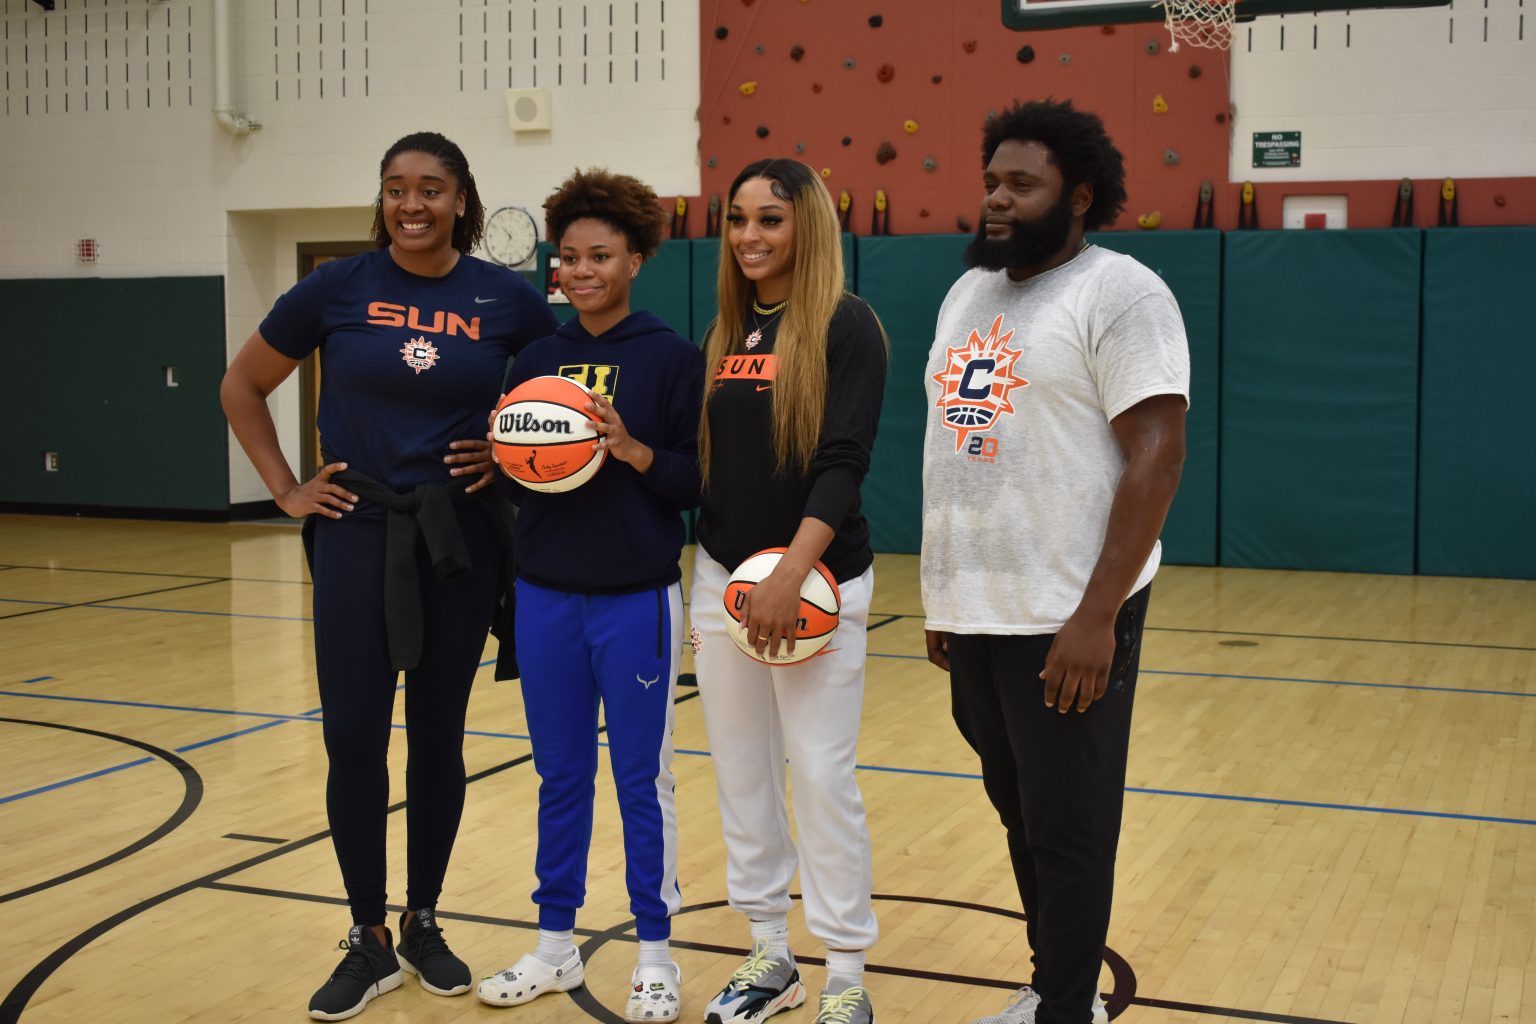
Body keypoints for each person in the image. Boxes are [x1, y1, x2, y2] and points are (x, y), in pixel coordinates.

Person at [220, 131, 557, 1021]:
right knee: (355, 737)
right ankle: (366, 935)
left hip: (458, 539)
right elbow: (241, 386)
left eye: (432, 189)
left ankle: (424, 919)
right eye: (398, 188)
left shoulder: (507, 299)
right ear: (383, 199)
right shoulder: (337, 286)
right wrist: (286, 490)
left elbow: (564, 403)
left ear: (461, 200)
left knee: (437, 735)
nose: (414, 204)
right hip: (356, 531)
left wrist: (511, 451)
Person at [921, 99, 1190, 1024]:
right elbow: (956, 448)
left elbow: (1158, 454)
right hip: (980, 607)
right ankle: (1051, 985)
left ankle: (1067, 1009)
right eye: (991, 180)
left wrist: (1095, 615)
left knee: (1069, 828)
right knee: (1019, 812)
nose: (996, 198)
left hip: (1069, 610)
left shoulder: (1122, 292)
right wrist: (946, 596)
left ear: (1078, 195)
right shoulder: (970, 292)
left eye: (1020, 184)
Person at [473, 169, 703, 1023]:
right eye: (568, 257)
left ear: (636, 258)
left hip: (634, 601)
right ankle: (554, 945)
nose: (581, 270)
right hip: (543, 598)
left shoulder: (672, 358)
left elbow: (696, 480)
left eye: (600, 255)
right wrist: (509, 457)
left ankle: (654, 951)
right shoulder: (532, 361)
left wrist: (633, 450)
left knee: (643, 778)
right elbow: (515, 480)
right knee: (559, 774)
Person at [690, 158, 889, 1024]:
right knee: (741, 772)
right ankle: (770, 954)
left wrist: (789, 572)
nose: (750, 237)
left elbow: (843, 463)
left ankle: (845, 973)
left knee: (818, 774)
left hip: (814, 582)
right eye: (738, 220)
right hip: (722, 582)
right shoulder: (726, 331)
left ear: (807, 225)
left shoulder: (849, 326)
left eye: (769, 219)